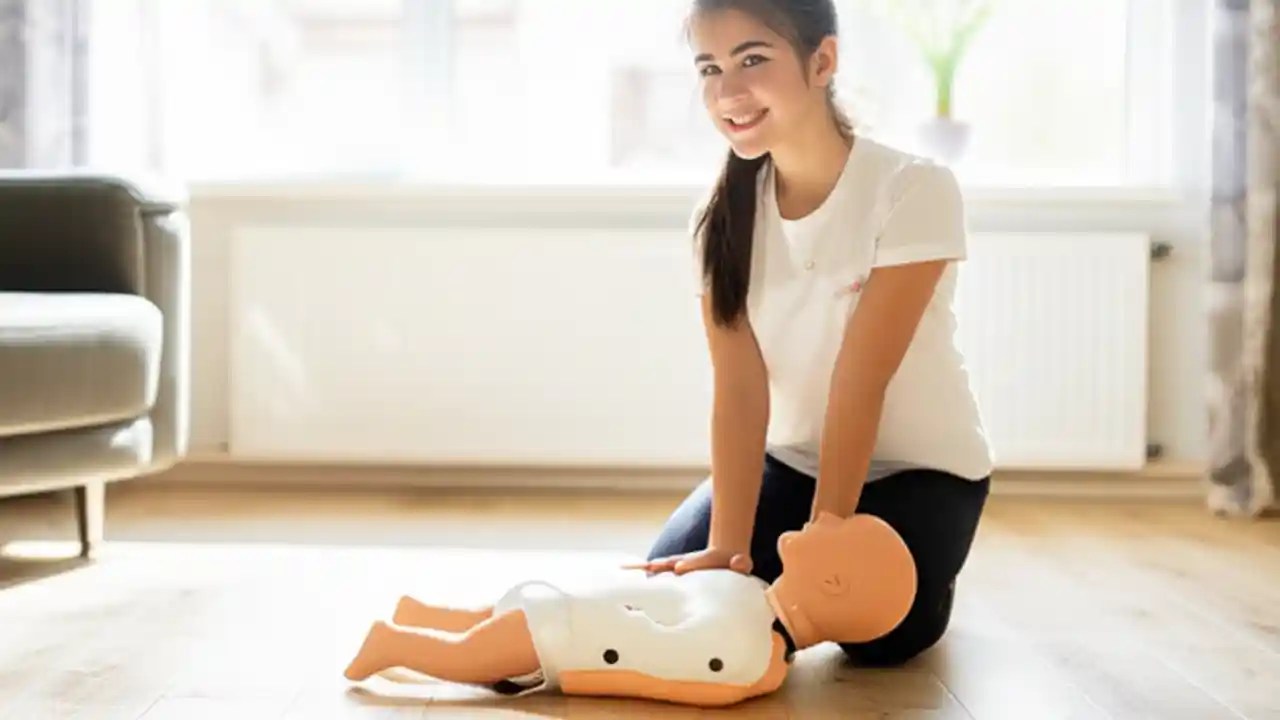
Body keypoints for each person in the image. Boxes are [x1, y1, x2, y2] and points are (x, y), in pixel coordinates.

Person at [634, 0, 995, 668]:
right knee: (677, 590)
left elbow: (861, 379)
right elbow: (741, 389)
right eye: (710, 68)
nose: (727, 92)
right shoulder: (717, 219)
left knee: (876, 633)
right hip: (791, 462)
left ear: (822, 61)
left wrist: (824, 543)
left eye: (753, 60)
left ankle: (924, 583)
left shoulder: (913, 188)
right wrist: (727, 551)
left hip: (924, 472)